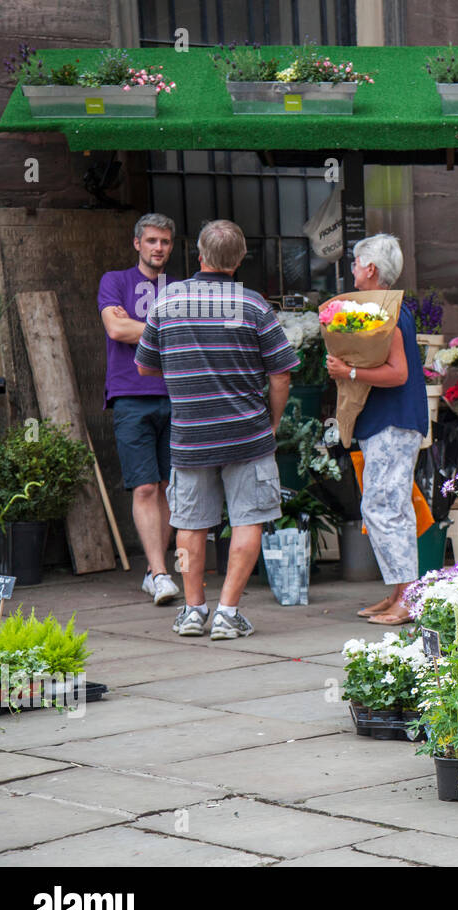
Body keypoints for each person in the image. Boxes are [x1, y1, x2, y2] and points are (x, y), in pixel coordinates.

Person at [135, 220, 299, 639]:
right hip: (248, 434)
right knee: (249, 520)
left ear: (199, 256)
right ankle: (227, 612)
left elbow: (144, 365)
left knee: (189, 526)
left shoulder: (167, 301)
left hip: (190, 434)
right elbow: (281, 374)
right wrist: (273, 422)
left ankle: (193, 611)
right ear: (240, 259)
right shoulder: (254, 305)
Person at [326, 234, 429, 626]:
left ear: (370, 269)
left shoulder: (391, 312)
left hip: (393, 421)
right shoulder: (383, 309)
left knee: (386, 507)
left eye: (355, 262)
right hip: (386, 421)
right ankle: (400, 592)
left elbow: (398, 373)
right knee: (385, 505)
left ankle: (409, 596)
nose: (352, 269)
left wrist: (349, 371)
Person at [97, 213, 181, 606]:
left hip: (177, 395)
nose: (158, 248)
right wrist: (167, 329)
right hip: (131, 395)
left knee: (169, 486)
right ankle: (161, 574)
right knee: (145, 485)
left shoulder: (180, 288)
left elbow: (132, 329)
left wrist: (139, 326)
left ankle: (154, 570)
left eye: (164, 241)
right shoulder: (115, 281)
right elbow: (115, 330)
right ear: (137, 244)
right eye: (151, 241)